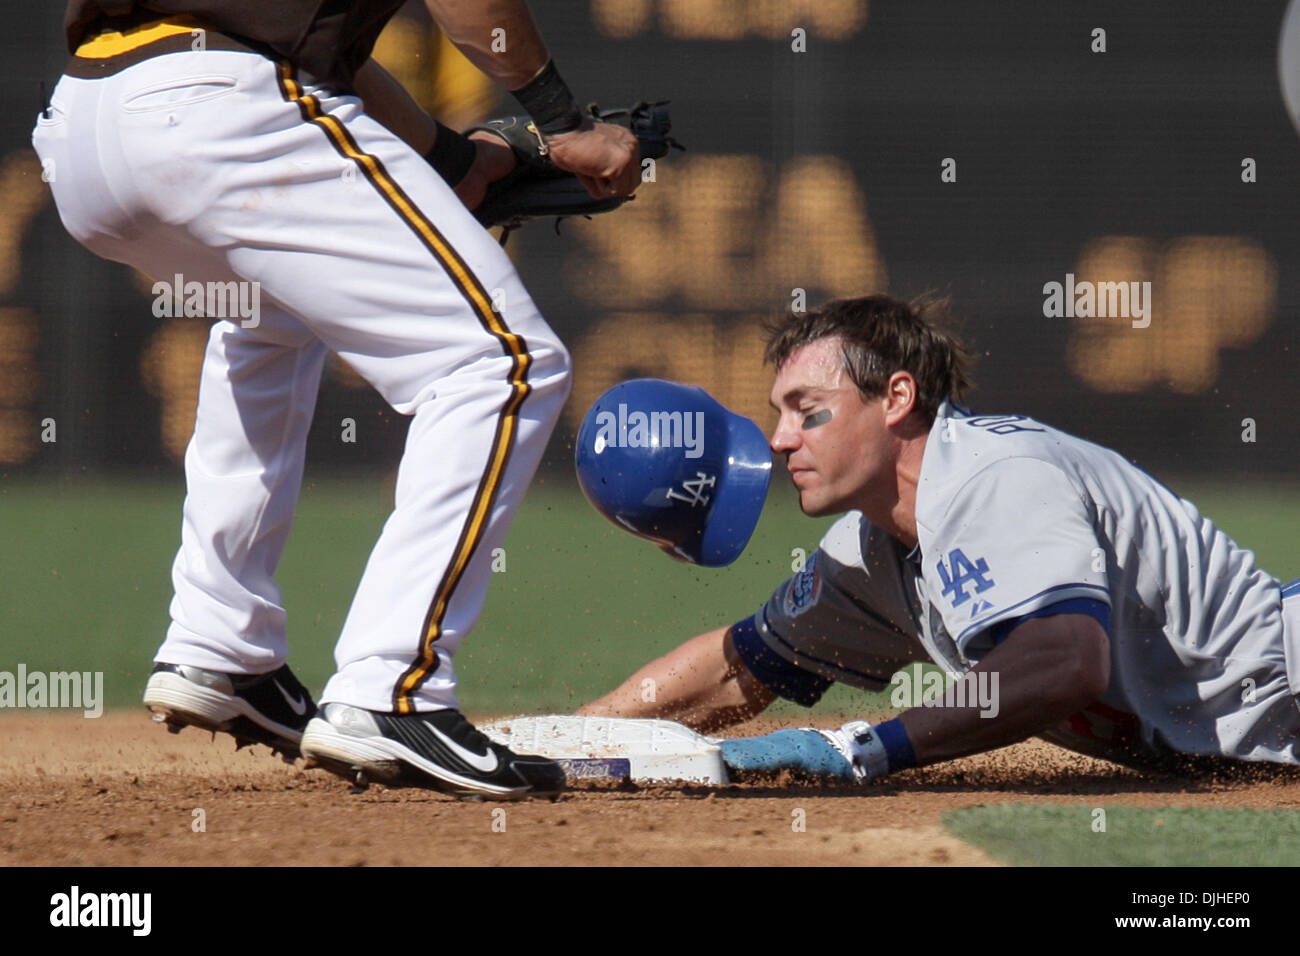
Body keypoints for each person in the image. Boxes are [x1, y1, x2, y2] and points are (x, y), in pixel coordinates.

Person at [36, 0, 640, 799]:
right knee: (505, 363)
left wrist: (454, 159)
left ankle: (221, 645)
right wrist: (563, 120)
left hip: (84, 123)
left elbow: (331, 56)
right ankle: (393, 689)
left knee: (266, 321)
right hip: (221, 102)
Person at [579, 294, 1300, 782]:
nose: (779, 439)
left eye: (808, 411)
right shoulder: (867, 551)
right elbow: (741, 668)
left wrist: (868, 748)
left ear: (896, 398)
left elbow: (1066, 661)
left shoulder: (991, 475)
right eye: (779, 413)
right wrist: (574, 732)